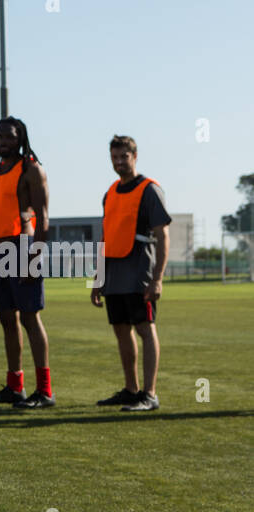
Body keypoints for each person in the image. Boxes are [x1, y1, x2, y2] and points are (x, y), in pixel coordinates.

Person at [91, 135, 170, 411]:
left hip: (139, 272)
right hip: (113, 275)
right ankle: (131, 389)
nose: (119, 162)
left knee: (145, 329)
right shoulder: (110, 192)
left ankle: (149, 394)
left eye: (124, 156)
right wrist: (97, 279)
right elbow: (104, 237)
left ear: (135, 156)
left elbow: (163, 234)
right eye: (114, 157)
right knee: (121, 330)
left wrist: (157, 278)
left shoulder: (149, 190)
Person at [0, 117, 54, 408]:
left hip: (23, 247)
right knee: (7, 319)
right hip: (0, 249)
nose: (3, 142)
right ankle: (15, 387)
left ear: (20, 138)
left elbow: (44, 218)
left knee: (29, 317)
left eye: (9, 137)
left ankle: (45, 391)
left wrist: (35, 257)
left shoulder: (31, 169)